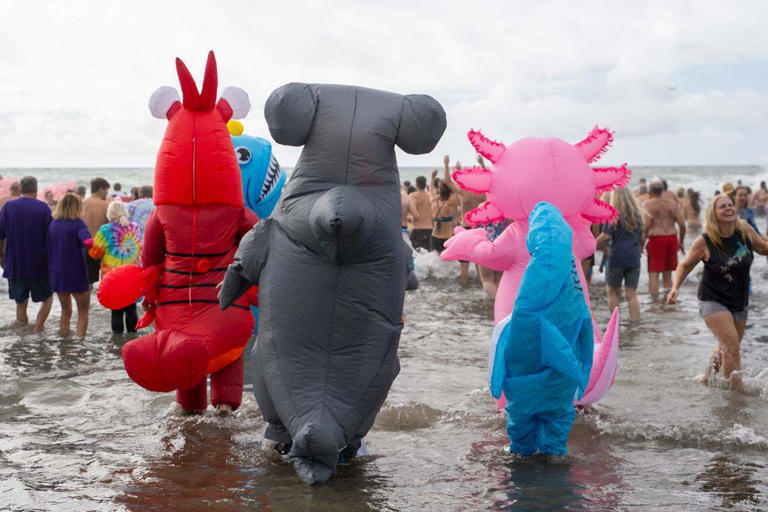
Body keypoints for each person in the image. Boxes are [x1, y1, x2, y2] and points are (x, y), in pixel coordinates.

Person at [667, 195, 768, 391]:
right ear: (713, 213)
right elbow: (685, 265)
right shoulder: (705, 241)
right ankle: (734, 397)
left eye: (730, 205)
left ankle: (708, 376)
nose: (729, 208)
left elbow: (762, 247)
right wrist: (675, 287)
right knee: (732, 347)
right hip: (712, 299)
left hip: (739, 299)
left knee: (727, 345)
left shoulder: (745, 230)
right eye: (723, 207)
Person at [0, 176, 53, 330]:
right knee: (48, 298)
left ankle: (23, 336)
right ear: (36, 190)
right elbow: (51, 236)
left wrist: (1, 256)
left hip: (15, 263)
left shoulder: (8, 207)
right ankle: (37, 329)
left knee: (20, 303)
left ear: (21, 189)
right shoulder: (43, 208)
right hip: (39, 263)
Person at [89, 201, 142, 333]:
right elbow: (140, 248)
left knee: (116, 310)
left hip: (113, 276)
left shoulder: (105, 230)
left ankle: (117, 344)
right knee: (131, 308)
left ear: (109, 214)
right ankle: (132, 340)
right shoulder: (134, 227)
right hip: (132, 273)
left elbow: (95, 253)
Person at [596, 188, 645, 321]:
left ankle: (615, 324)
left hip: (617, 257)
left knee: (612, 292)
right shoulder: (637, 215)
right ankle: (635, 323)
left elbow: (605, 235)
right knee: (631, 294)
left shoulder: (613, 215)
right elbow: (642, 237)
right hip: (634, 258)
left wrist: (591, 244)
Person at [47, 193, 92, 337]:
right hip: (76, 272)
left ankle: (65, 344)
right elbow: (88, 241)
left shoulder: (53, 224)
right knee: (83, 311)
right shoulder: (78, 223)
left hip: (58, 272)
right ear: (78, 207)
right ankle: (79, 343)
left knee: (65, 311)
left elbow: (47, 247)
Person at [442, 155, 485, 281]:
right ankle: (481, 292)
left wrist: (446, 164)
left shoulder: (463, 192)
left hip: (465, 229)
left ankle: (464, 291)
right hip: (479, 230)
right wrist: (482, 164)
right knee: (480, 264)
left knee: (464, 265)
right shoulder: (481, 193)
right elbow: (491, 179)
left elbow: (448, 182)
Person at [643, 180, 686, 296]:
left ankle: (654, 301)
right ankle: (668, 300)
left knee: (654, 273)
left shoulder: (647, 204)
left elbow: (646, 225)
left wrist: (642, 241)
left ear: (650, 192)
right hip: (672, 238)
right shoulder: (672, 204)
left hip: (656, 239)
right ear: (663, 191)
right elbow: (682, 225)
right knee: (668, 272)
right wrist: (681, 242)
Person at [81, 177, 111, 285]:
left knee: (87, 283)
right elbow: (111, 228)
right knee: (106, 282)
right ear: (101, 189)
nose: (106, 194)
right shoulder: (105, 205)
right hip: (102, 248)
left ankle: (86, 302)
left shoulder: (81, 204)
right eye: (106, 190)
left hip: (86, 247)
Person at [430, 180, 458, 253]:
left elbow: (431, 189)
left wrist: (432, 178)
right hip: (447, 238)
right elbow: (457, 191)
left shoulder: (433, 201)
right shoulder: (450, 203)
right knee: (448, 263)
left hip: (434, 237)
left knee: (434, 262)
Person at [408, 176, 434, 250]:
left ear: (416, 185)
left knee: (417, 257)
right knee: (428, 257)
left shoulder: (413, 196)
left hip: (418, 229)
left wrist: (410, 218)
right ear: (425, 184)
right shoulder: (430, 196)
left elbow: (414, 213)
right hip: (430, 229)